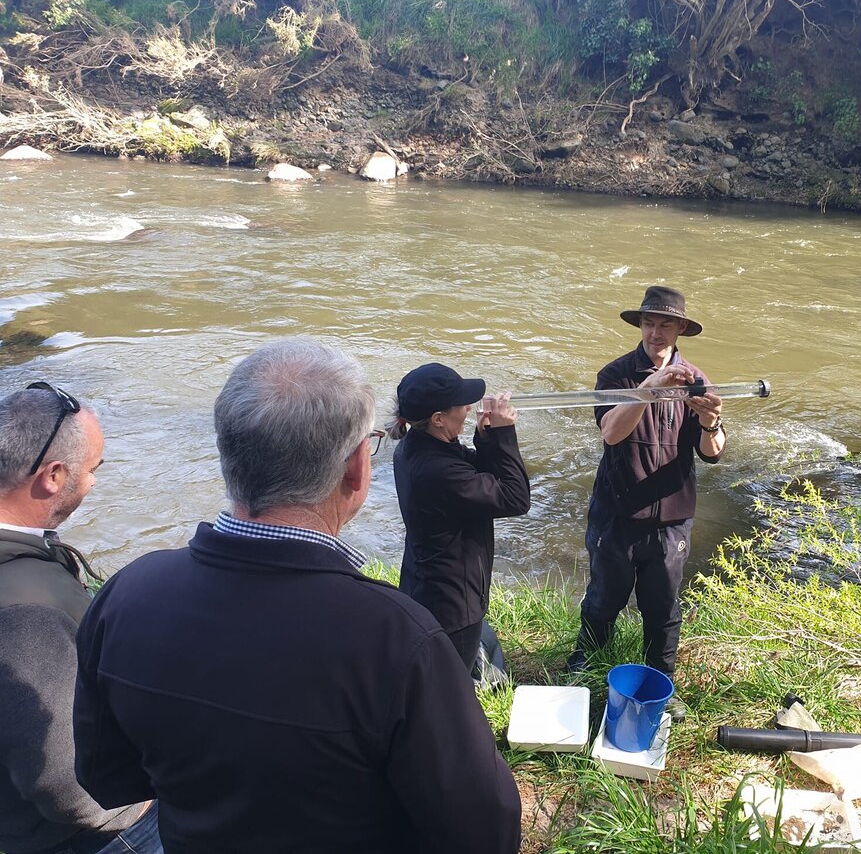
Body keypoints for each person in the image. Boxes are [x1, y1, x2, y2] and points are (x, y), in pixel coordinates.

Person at [73, 340, 521, 854]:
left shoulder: (126, 593)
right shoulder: (401, 639)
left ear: (230, 455)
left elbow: (106, 779)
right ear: (355, 468)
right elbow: (486, 831)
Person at [0, 383, 161, 854]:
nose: (93, 483)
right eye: (93, 470)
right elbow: (64, 782)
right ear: (52, 476)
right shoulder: (28, 613)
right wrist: (139, 808)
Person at [566, 286, 726, 701]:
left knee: (663, 610)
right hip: (617, 514)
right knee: (603, 598)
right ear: (640, 325)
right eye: (649, 323)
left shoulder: (697, 380)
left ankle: (661, 684)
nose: (656, 332)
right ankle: (586, 666)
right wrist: (649, 387)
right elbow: (611, 433)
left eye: (665, 324)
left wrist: (710, 422)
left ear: (680, 330)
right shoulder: (615, 375)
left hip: (673, 518)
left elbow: (712, 453)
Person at [391, 363, 531, 673]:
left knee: (434, 670)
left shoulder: (419, 446)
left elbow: (476, 472)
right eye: (462, 403)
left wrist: (485, 437)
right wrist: (505, 435)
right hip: (451, 603)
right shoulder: (439, 471)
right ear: (438, 418)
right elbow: (516, 498)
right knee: (451, 683)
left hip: (427, 583)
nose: (469, 407)